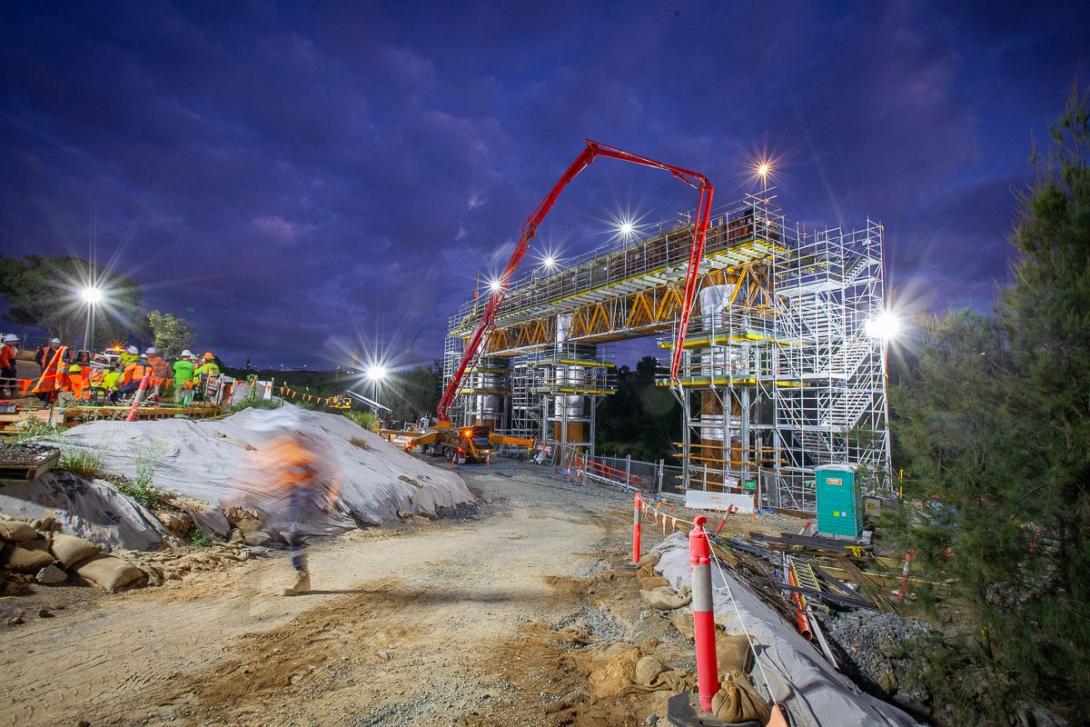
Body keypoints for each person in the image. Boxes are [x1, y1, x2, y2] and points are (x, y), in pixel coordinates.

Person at [0, 334, 19, 399]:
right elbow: (3, 358)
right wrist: (8, 366)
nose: (15, 342)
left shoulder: (12, 348)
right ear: (9, 341)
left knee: (13, 380)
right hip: (7, 367)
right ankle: (2, 394)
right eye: (14, 340)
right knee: (4, 380)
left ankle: (13, 395)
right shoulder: (6, 348)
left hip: (11, 366)